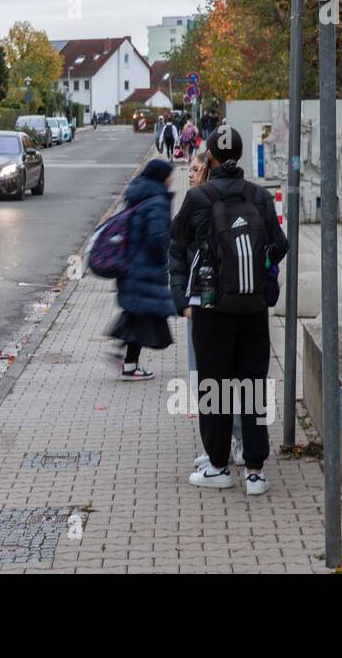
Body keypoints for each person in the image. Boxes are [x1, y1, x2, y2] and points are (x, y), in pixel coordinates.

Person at [171, 127, 288, 496]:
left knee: (215, 388)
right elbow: (279, 246)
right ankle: (254, 471)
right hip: (253, 307)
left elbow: (177, 244)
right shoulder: (259, 196)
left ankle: (218, 467)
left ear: (211, 157)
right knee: (253, 386)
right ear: (240, 153)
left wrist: (181, 299)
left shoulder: (198, 197)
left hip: (211, 308)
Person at [168, 148, 243, 456]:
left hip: (227, 306)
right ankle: (217, 446)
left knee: (230, 376)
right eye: (189, 167)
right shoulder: (189, 210)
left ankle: (238, 440)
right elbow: (175, 258)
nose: (190, 173)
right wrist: (181, 301)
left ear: (209, 173)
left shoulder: (224, 207)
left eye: (196, 168)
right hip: (197, 306)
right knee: (202, 378)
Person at [106, 158, 176, 381]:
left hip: (131, 265)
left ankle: (124, 357)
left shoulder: (139, 195)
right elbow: (157, 238)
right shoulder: (157, 201)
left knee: (137, 313)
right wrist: (164, 256)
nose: (172, 179)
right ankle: (126, 362)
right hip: (145, 268)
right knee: (140, 314)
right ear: (161, 177)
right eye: (169, 175)